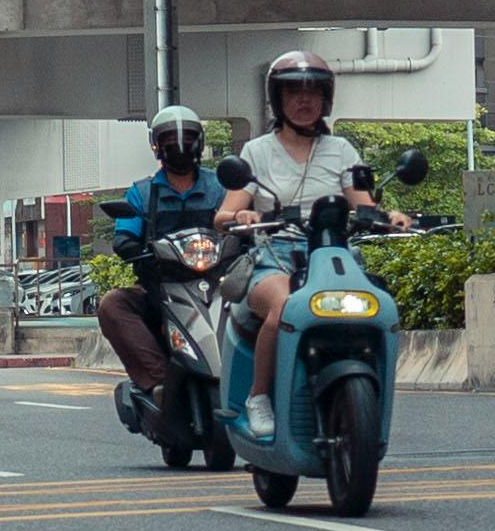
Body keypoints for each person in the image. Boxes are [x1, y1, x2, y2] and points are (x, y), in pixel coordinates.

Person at [216, 48, 381, 365]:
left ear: (325, 98)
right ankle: (259, 397)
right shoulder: (257, 152)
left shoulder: (341, 150)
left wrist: (391, 218)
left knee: (380, 308)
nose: (304, 101)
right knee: (286, 308)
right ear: (278, 99)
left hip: (334, 257)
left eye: (312, 92)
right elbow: (222, 216)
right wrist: (242, 215)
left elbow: (364, 205)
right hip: (273, 258)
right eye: (294, 91)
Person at [88, 103, 244, 424]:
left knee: (264, 302)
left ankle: (259, 386)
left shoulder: (222, 188)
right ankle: (158, 382)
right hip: (161, 288)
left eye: (187, 138)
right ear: (157, 145)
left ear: (199, 143)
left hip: (220, 286)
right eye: (170, 139)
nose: (180, 147)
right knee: (113, 305)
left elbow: (244, 223)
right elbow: (124, 235)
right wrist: (129, 244)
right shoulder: (141, 193)